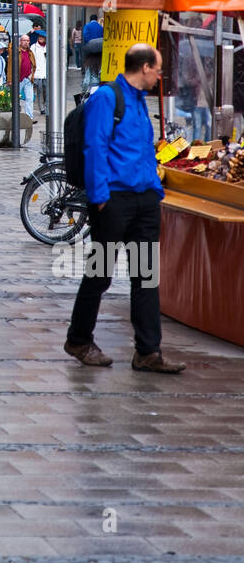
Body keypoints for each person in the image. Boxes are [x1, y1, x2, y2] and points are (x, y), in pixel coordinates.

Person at [65, 43, 185, 374]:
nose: (160, 76)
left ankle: (148, 352)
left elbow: (141, 148)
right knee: (99, 274)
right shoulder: (108, 97)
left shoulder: (138, 100)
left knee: (146, 277)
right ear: (144, 67)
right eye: (158, 69)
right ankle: (79, 339)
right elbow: (95, 146)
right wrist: (100, 198)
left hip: (144, 199)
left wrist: (155, 189)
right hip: (114, 200)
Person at [8, 34, 36, 122]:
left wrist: (32, 75)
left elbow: (34, 65)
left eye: (28, 41)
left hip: (27, 78)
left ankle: (29, 118)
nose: (26, 42)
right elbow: (10, 66)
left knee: (29, 98)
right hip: (18, 79)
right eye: (24, 40)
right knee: (15, 99)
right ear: (20, 42)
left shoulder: (30, 52)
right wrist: (9, 79)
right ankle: (15, 117)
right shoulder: (16, 52)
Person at [32, 31, 48, 115]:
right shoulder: (33, 47)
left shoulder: (48, 47)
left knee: (46, 90)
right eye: (39, 37)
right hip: (37, 72)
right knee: (39, 90)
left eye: (42, 37)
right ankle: (41, 108)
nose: (40, 38)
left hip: (46, 73)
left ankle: (45, 104)